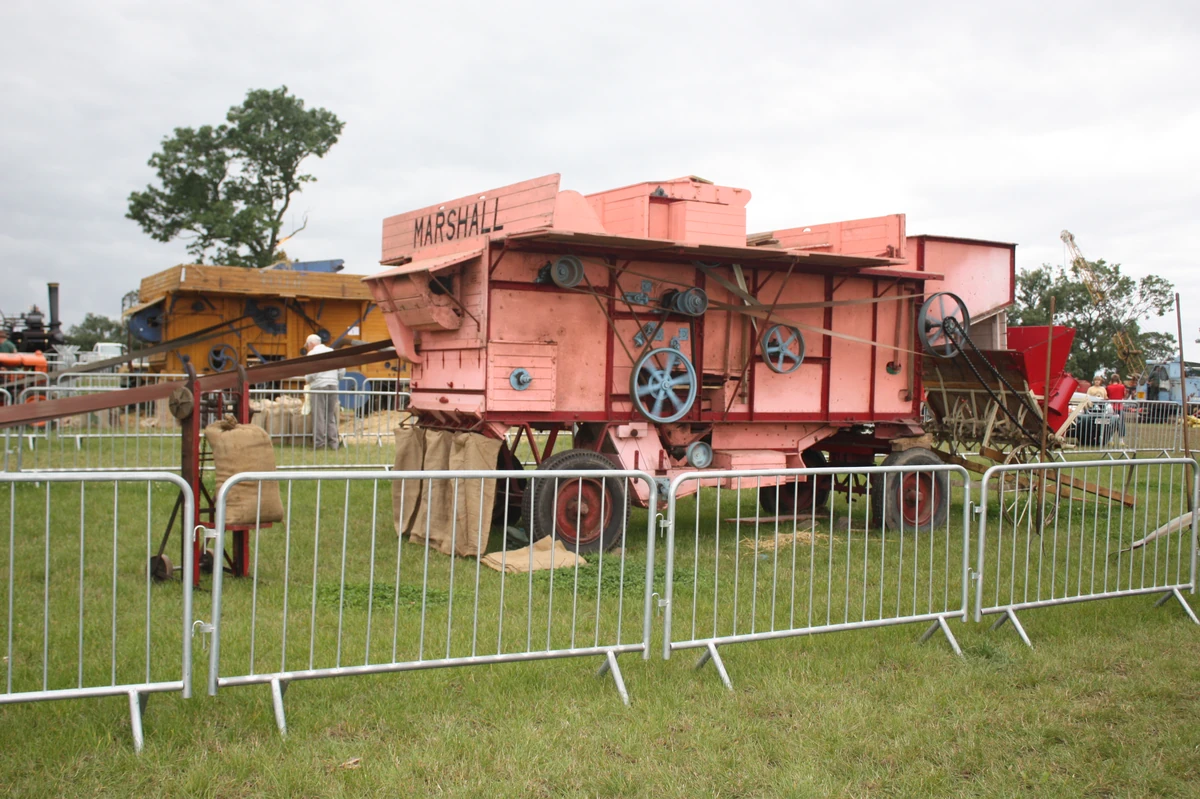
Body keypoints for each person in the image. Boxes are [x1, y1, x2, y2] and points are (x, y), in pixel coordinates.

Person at [304, 334, 342, 450]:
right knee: (330, 415)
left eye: (308, 346)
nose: (308, 348)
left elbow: (311, 373)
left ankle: (319, 444)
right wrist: (335, 378)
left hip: (318, 386)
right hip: (333, 385)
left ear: (311, 344)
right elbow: (342, 369)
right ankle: (334, 443)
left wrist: (307, 380)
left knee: (319, 416)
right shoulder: (333, 352)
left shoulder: (312, 354)